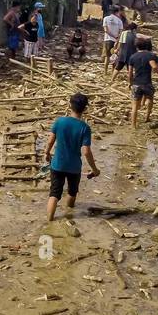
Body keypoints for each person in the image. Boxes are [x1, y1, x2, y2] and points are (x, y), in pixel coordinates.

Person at [44, 93, 100, 221]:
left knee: (54, 194)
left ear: (70, 105)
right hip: (74, 168)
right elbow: (86, 152)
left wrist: (47, 153)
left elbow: (50, 141)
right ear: (85, 109)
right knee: (72, 192)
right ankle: (69, 214)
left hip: (57, 164)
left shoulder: (60, 121)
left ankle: (49, 221)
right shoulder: (85, 128)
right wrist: (94, 169)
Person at [128, 35, 158, 129]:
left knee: (135, 106)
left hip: (136, 84)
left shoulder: (132, 57)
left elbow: (130, 73)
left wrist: (130, 83)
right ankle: (147, 117)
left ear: (137, 47)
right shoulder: (150, 55)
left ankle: (133, 125)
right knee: (149, 99)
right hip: (147, 83)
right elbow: (155, 66)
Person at [101, 4, 124, 69]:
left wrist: (113, 36)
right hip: (116, 41)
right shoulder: (119, 21)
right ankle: (112, 72)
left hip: (107, 40)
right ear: (117, 12)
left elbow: (106, 30)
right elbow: (121, 32)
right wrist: (117, 39)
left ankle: (105, 72)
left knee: (107, 57)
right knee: (114, 57)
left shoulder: (106, 18)